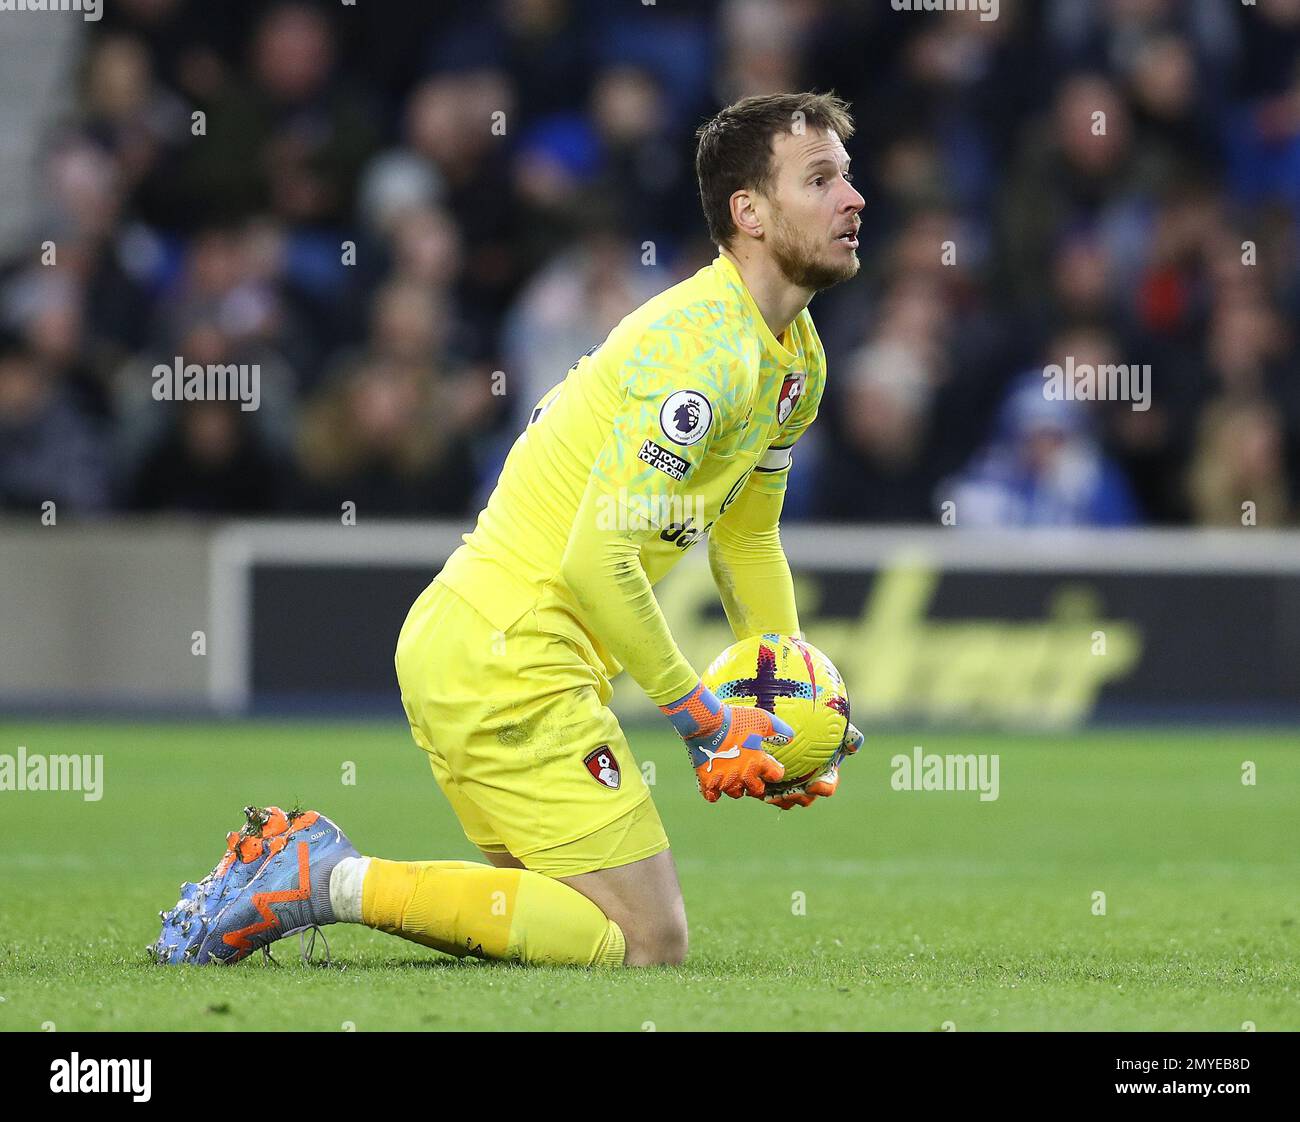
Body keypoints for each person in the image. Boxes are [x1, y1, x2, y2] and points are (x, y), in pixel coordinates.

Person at [151, 91, 865, 970]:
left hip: (486, 648)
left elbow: (748, 540)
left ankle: (321, 876)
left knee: (563, 922)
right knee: (649, 944)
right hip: (509, 657)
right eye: (822, 178)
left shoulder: (796, 359)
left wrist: (786, 708)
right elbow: (597, 560)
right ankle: (321, 877)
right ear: (748, 213)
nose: (854, 198)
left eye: (848, 175)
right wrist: (705, 720)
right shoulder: (705, 353)